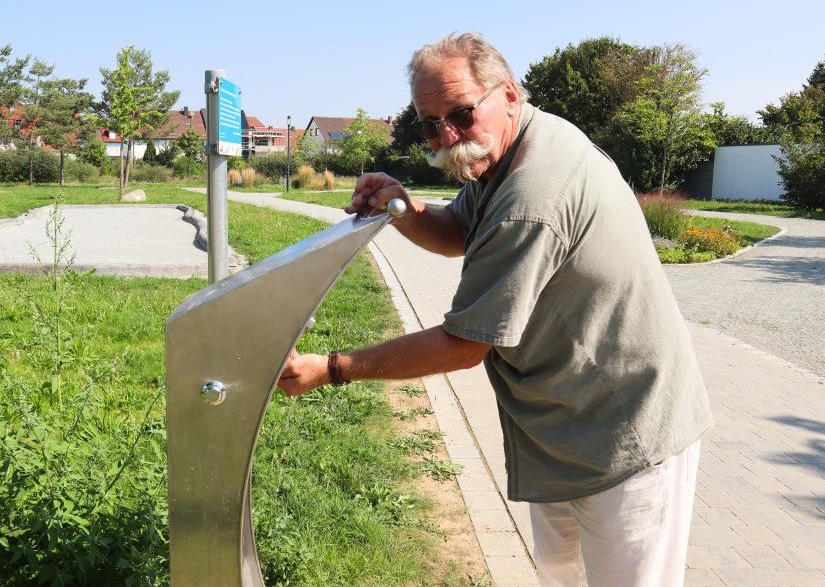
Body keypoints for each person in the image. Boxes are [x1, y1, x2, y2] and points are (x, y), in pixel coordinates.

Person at [278, 32, 713, 587]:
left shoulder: (532, 195)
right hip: (568, 430)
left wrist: (331, 368)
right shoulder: (507, 149)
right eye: (430, 123)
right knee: (562, 577)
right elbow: (461, 228)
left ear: (508, 94)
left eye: (460, 114)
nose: (447, 136)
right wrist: (404, 208)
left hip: (626, 435)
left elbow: (464, 345)